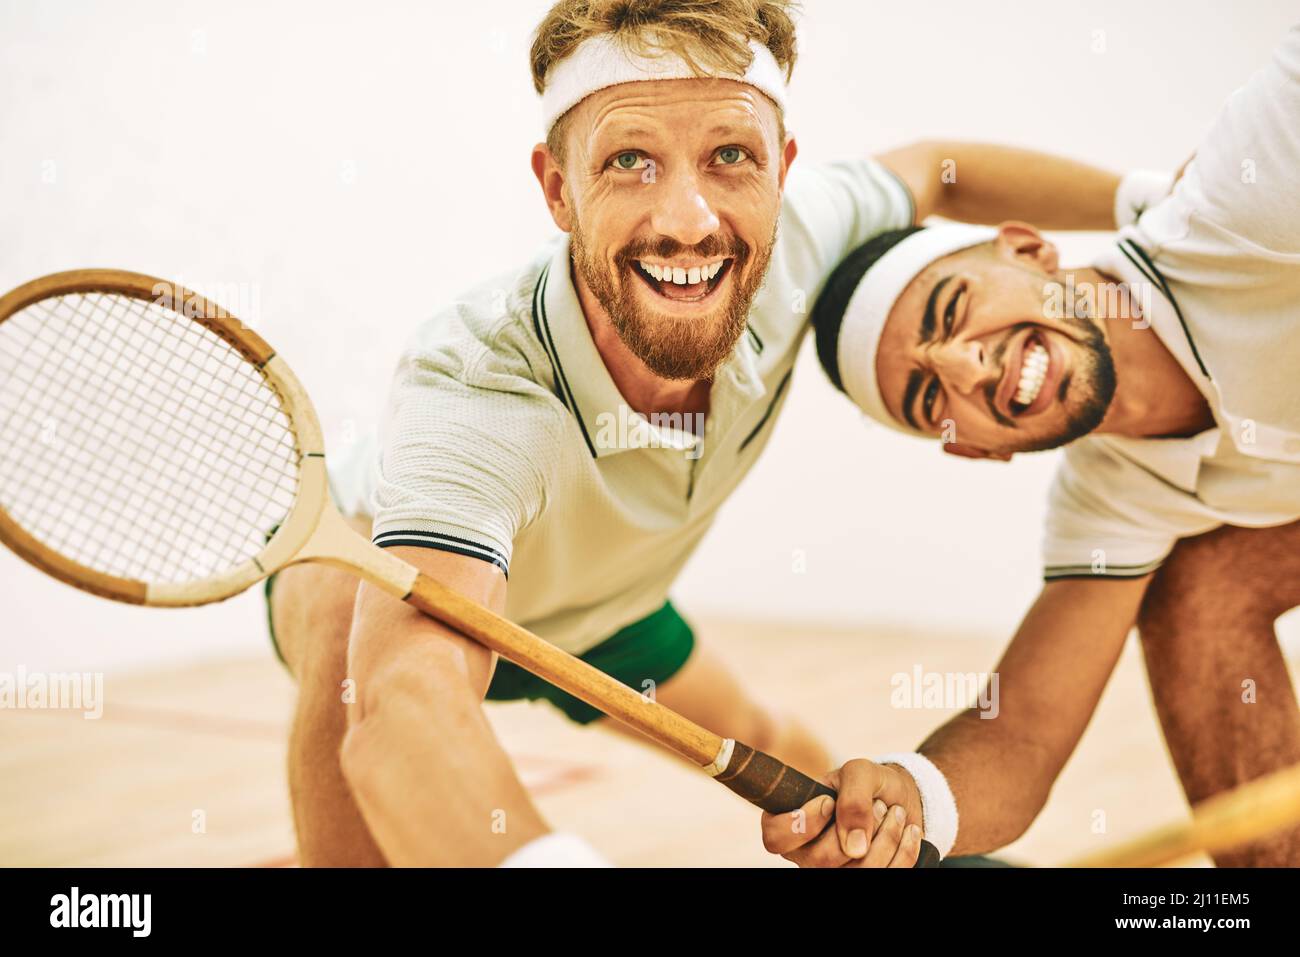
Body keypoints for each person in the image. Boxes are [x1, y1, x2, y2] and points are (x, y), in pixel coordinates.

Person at [273, 0, 1133, 866]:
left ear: (781, 169)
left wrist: (1154, 201)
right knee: (351, 632)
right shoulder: (479, 386)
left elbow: (938, 170)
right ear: (558, 189)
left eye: (731, 156)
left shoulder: (801, 241)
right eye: (629, 161)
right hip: (404, 577)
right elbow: (405, 700)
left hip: (605, 608)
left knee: (779, 749)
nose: (688, 220)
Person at [769, 23, 1300, 868]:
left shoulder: (1246, 204)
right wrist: (912, 799)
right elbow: (1019, 739)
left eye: (951, 311)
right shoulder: (1113, 496)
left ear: (1027, 246)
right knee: (1198, 587)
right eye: (928, 396)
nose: (964, 367)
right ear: (977, 451)